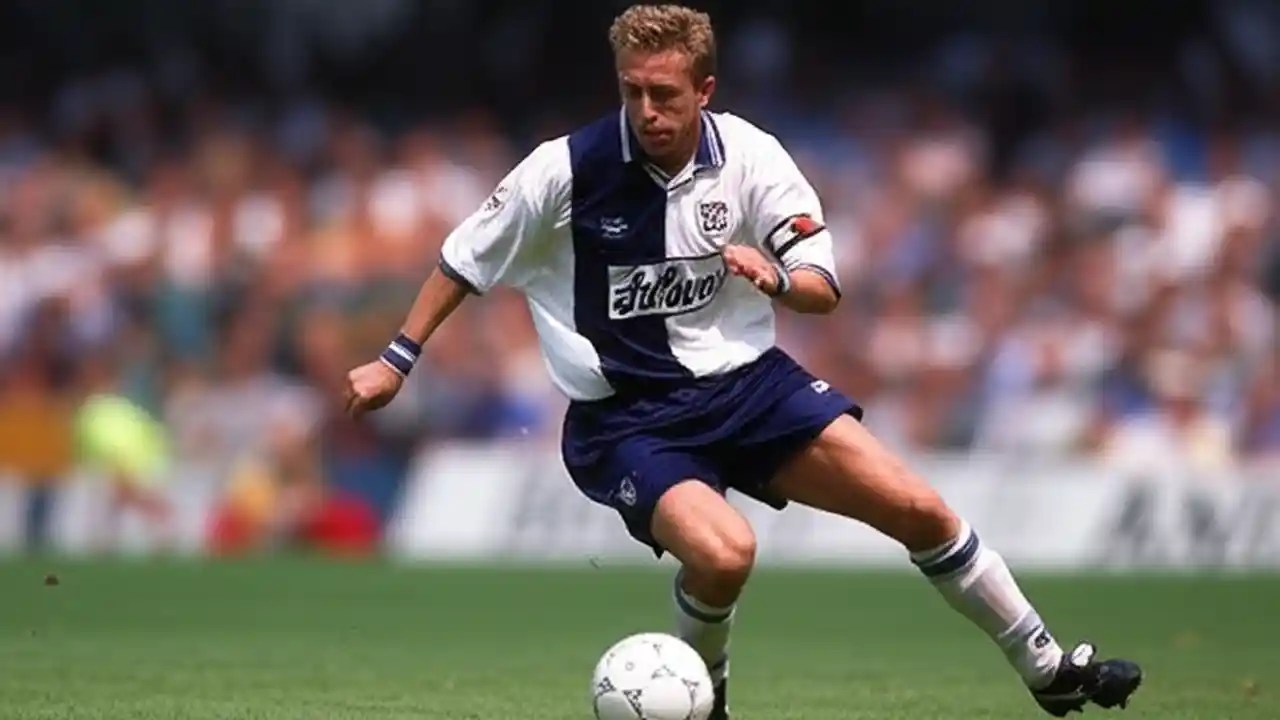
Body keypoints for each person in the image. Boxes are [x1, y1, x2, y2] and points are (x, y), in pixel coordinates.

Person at [343, 4, 1142, 717]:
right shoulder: (565, 170)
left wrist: (779, 278)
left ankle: (1046, 671)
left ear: (706, 89)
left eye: (665, 94)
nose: (647, 111)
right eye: (633, 92)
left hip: (752, 390)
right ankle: (711, 694)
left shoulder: (754, 158)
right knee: (727, 554)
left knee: (923, 511)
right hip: (629, 421)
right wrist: (396, 359)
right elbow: (461, 261)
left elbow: (824, 288)